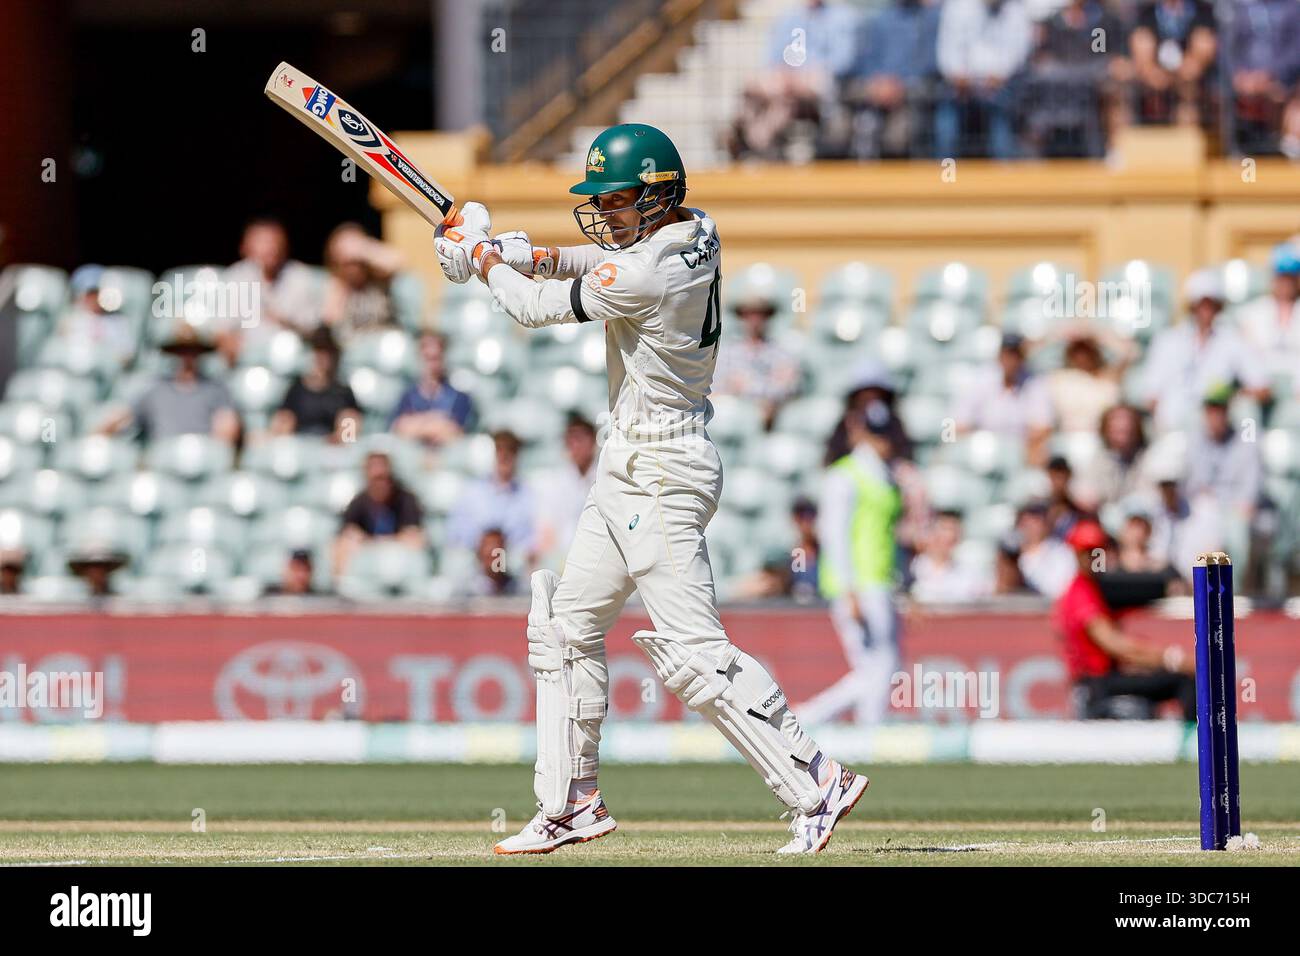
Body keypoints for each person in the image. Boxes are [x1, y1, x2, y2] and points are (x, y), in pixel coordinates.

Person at [435, 123, 868, 855]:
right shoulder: (696, 230)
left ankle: (816, 779)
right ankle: (573, 802)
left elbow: (538, 308)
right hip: (631, 463)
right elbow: (596, 258)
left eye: (619, 199)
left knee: (693, 653)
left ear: (659, 195)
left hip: (659, 474)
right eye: (600, 200)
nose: (606, 214)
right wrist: (522, 251)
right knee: (565, 626)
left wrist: (482, 257)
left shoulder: (647, 274)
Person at [800, 399, 903, 725]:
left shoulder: (885, 476)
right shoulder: (844, 476)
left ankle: (867, 729)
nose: (883, 442)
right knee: (877, 669)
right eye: (877, 434)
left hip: (879, 581)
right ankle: (807, 718)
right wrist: (849, 590)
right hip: (859, 584)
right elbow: (834, 535)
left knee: (881, 667)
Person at [1053, 520, 1196, 719]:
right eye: (1088, 552)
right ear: (1076, 554)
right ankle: (1198, 743)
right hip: (1095, 685)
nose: (1095, 557)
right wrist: (1172, 659)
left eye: (1099, 550)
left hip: (1102, 680)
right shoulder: (1081, 594)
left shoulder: (1093, 589)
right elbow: (1119, 647)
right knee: (1183, 680)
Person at [1140, 268, 1269, 431]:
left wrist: (1232, 397)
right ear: (1191, 306)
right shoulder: (1167, 341)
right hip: (1173, 429)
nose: (1205, 310)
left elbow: (1261, 386)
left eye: (1211, 304)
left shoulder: (1233, 340)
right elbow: (1150, 395)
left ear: (1219, 306)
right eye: (1200, 304)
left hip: (1215, 433)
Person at [100, 323, 240, 445]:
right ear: (173, 354)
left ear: (199, 354)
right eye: (181, 351)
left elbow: (226, 428)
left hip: (204, 459)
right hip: (162, 463)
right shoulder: (155, 389)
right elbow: (123, 418)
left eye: (192, 351)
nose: (187, 357)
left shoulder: (216, 389)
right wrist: (102, 434)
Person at [934, 0, 1034, 158]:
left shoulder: (1015, 10)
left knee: (1002, 128)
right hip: (960, 90)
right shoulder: (957, 7)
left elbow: (1019, 52)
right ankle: (946, 179)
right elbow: (947, 51)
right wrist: (957, 75)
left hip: (1000, 90)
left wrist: (1001, 74)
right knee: (946, 128)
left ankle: (1004, 177)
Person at [846, 0, 941, 159]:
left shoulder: (930, 19)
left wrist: (900, 85)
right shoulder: (879, 20)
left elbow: (930, 64)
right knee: (852, 128)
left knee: (897, 138)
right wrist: (878, 84)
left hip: (911, 97)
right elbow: (866, 61)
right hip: (877, 93)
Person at [953, 332, 1052, 465]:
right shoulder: (981, 379)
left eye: (1015, 355)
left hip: (1019, 455)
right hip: (982, 454)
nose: (1010, 360)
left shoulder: (1035, 383)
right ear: (999, 356)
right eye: (1006, 354)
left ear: (1023, 358)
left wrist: (1014, 450)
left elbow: (1041, 427)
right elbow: (959, 423)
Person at [711, 290, 801, 429]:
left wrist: (746, 385)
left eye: (761, 314)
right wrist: (765, 387)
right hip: (733, 420)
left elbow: (786, 389)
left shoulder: (781, 353)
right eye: (749, 314)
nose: (755, 320)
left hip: (769, 423)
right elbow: (717, 389)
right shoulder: (727, 352)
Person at [445, 430, 537, 565]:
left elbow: (532, 540)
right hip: (476, 565)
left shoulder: (529, 495)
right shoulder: (471, 492)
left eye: (511, 450)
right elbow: (456, 535)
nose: (504, 455)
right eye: (499, 449)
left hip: (513, 567)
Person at [222, 217, 321, 341]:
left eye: (275, 241)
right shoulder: (235, 277)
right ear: (244, 247)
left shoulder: (300, 276)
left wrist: (283, 321)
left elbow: (312, 328)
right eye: (262, 241)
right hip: (247, 354)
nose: (271, 248)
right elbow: (222, 329)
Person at [333, 452, 424, 576]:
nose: (380, 484)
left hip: (399, 557)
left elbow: (413, 536)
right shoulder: (359, 501)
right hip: (367, 557)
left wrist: (375, 541)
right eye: (376, 479)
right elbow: (348, 533)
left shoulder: (406, 499)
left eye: (383, 478)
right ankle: (344, 588)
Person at [1129, 0, 1217, 125]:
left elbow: (1204, 49)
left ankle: (1186, 141)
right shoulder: (1145, 13)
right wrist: (1152, 72)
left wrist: (1185, 70)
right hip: (1154, 78)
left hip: (1191, 79)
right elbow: (1141, 50)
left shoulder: (1204, 11)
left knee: (1188, 93)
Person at [270, 327, 360, 440]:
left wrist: (340, 439)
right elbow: (282, 421)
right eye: (319, 351)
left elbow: (350, 430)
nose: (323, 357)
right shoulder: (297, 389)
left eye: (328, 352)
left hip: (332, 450)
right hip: (299, 447)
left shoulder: (343, 392)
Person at [321, 223, 403, 343]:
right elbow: (330, 321)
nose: (353, 267)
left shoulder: (379, 281)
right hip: (350, 355)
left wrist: (363, 248)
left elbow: (398, 262)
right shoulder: (333, 286)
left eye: (357, 261)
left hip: (382, 347)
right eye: (347, 262)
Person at [535, 413, 599, 568]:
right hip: (563, 560)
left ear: (592, 442)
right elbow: (547, 530)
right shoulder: (556, 482)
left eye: (580, 439)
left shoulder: (606, 477)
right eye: (570, 440)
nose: (575, 445)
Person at [389, 332, 474, 446]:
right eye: (427, 358)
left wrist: (417, 424)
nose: (432, 365)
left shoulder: (459, 398)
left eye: (436, 358)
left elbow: (455, 433)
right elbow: (401, 430)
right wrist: (438, 422)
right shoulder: (407, 397)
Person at [1234, 242, 1300, 379]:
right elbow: (1244, 358)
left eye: (1291, 278)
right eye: (1281, 277)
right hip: (1262, 387)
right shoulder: (1251, 313)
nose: (1286, 284)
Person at [55, 264, 137, 369]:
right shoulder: (70, 319)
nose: (94, 299)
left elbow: (127, 355)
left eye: (98, 293)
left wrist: (105, 357)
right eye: (89, 293)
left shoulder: (117, 322)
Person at [1075, 403, 1152, 509]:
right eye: (1117, 429)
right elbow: (1086, 493)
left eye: (1126, 428)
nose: (1122, 426)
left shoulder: (1147, 458)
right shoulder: (1097, 459)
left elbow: (1148, 495)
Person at [909, 510, 992, 603]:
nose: (950, 536)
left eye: (954, 530)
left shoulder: (969, 571)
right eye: (946, 529)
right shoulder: (914, 569)